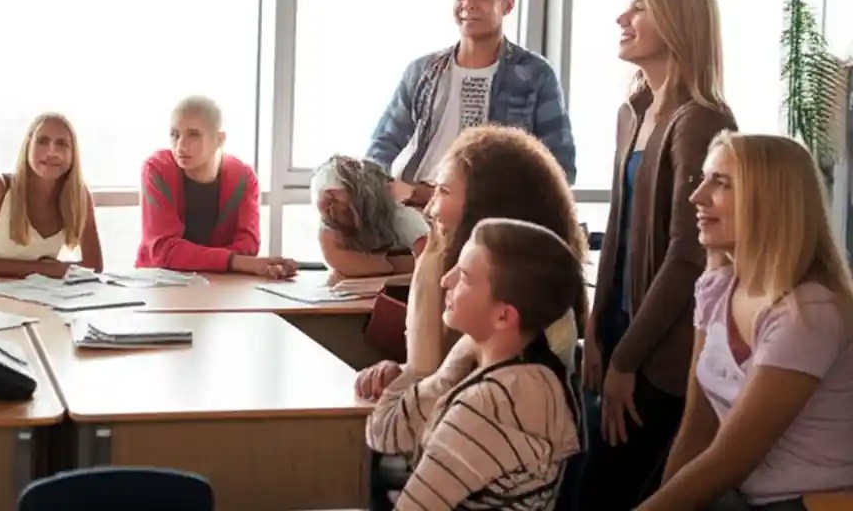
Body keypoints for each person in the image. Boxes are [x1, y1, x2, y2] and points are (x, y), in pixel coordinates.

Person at [580, 0, 737, 509]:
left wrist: (627, 358)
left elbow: (687, 255)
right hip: (621, 335)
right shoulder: (636, 112)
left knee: (611, 490)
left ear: (676, 22)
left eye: (639, 8)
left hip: (659, 353)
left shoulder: (701, 120)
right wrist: (597, 331)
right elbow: (619, 231)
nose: (623, 19)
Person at [639, 133, 853, 510]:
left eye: (720, 183)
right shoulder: (718, 285)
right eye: (703, 179)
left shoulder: (809, 313)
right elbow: (696, 427)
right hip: (741, 495)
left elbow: (729, 460)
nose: (697, 197)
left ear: (770, 201)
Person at [365, 219, 584, 511]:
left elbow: (384, 437)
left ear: (504, 317)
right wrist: (461, 355)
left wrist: (424, 369)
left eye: (465, 276)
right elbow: (386, 431)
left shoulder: (488, 404)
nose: (446, 280)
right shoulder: (534, 371)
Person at [355, 125, 586, 400]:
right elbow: (437, 378)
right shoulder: (460, 276)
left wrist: (414, 385)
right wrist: (399, 373)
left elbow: (462, 400)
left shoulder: (533, 316)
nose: (429, 209)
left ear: (487, 204)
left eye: (443, 191)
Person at [366, 0, 575, 211]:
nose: (468, 4)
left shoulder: (534, 74)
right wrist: (377, 188)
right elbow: (383, 144)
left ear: (508, 5)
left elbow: (559, 166)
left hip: (486, 211)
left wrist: (494, 197)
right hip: (413, 204)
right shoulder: (422, 71)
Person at [136, 95, 296, 277]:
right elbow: (162, 250)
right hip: (159, 284)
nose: (180, 146)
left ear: (219, 139)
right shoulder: (156, 170)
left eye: (193, 135)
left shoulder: (243, 177)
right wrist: (233, 261)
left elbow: (248, 245)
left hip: (220, 283)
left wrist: (233, 262)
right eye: (175, 134)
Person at [0, 113, 103, 278]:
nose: (52, 151)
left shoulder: (79, 196)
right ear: (28, 146)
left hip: (34, 297)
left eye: (62, 144)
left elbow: (94, 266)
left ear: (73, 154)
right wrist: (42, 269)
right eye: (42, 141)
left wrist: (44, 271)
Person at [312, 154, 428, 284]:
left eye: (345, 210)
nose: (332, 210)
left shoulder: (399, 215)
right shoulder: (329, 226)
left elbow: (429, 258)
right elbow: (338, 260)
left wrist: (391, 265)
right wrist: (392, 264)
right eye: (327, 203)